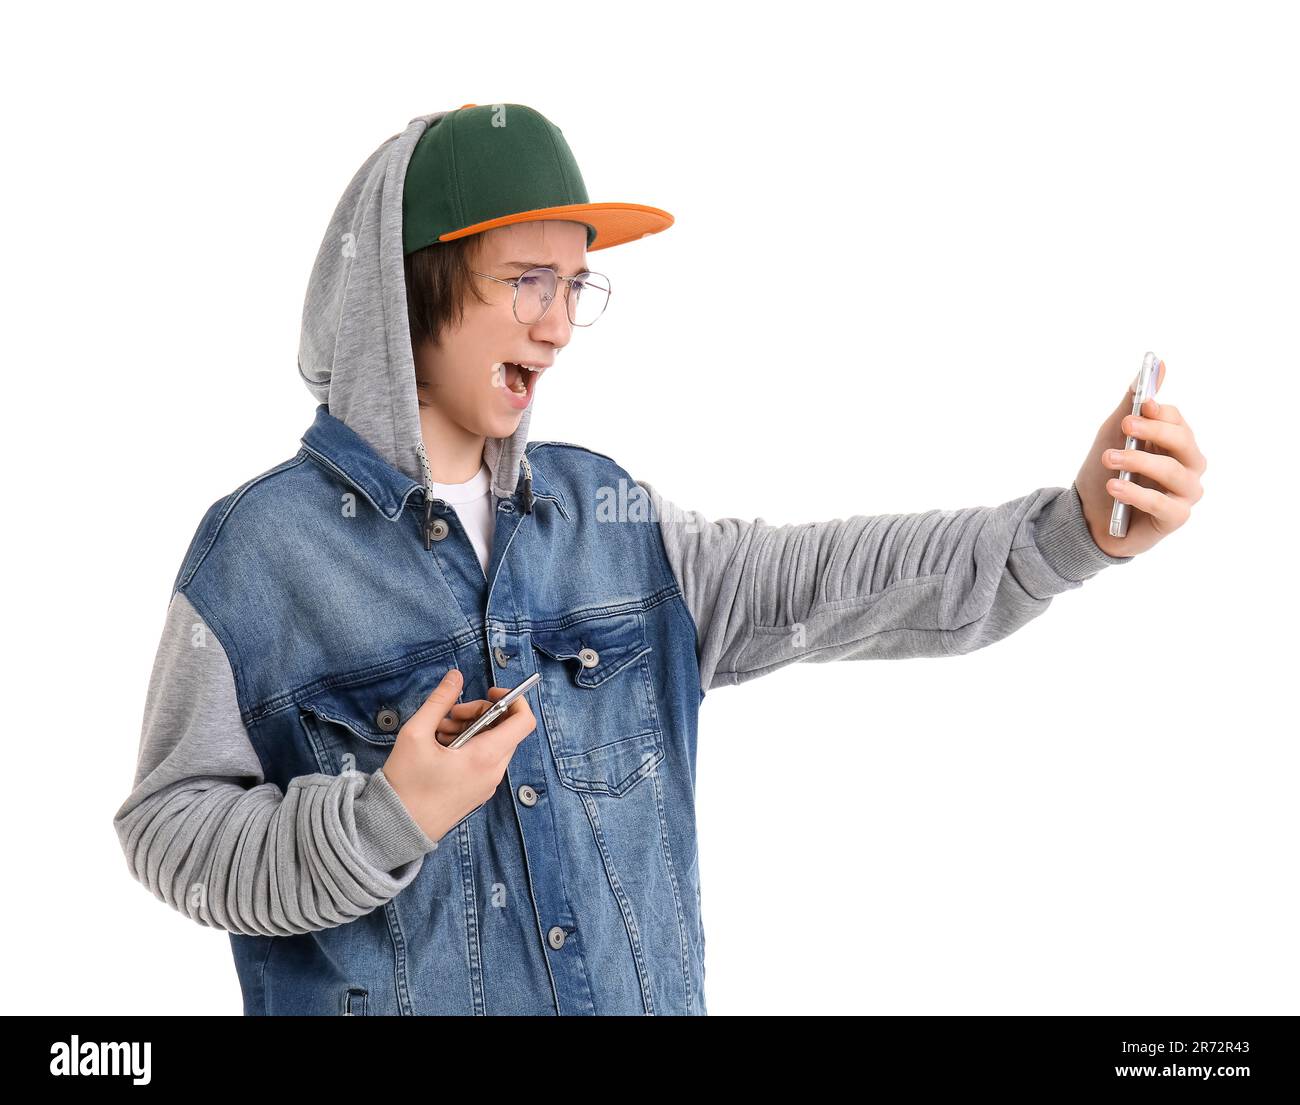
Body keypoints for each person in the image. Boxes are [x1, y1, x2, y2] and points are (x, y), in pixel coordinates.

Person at [113, 103, 1206, 1016]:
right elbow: (169, 829)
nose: (557, 328)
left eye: (574, 287)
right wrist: (383, 815)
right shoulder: (255, 554)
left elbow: (827, 578)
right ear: (407, 293)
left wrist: (1069, 533)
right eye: (526, 282)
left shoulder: (608, 514)